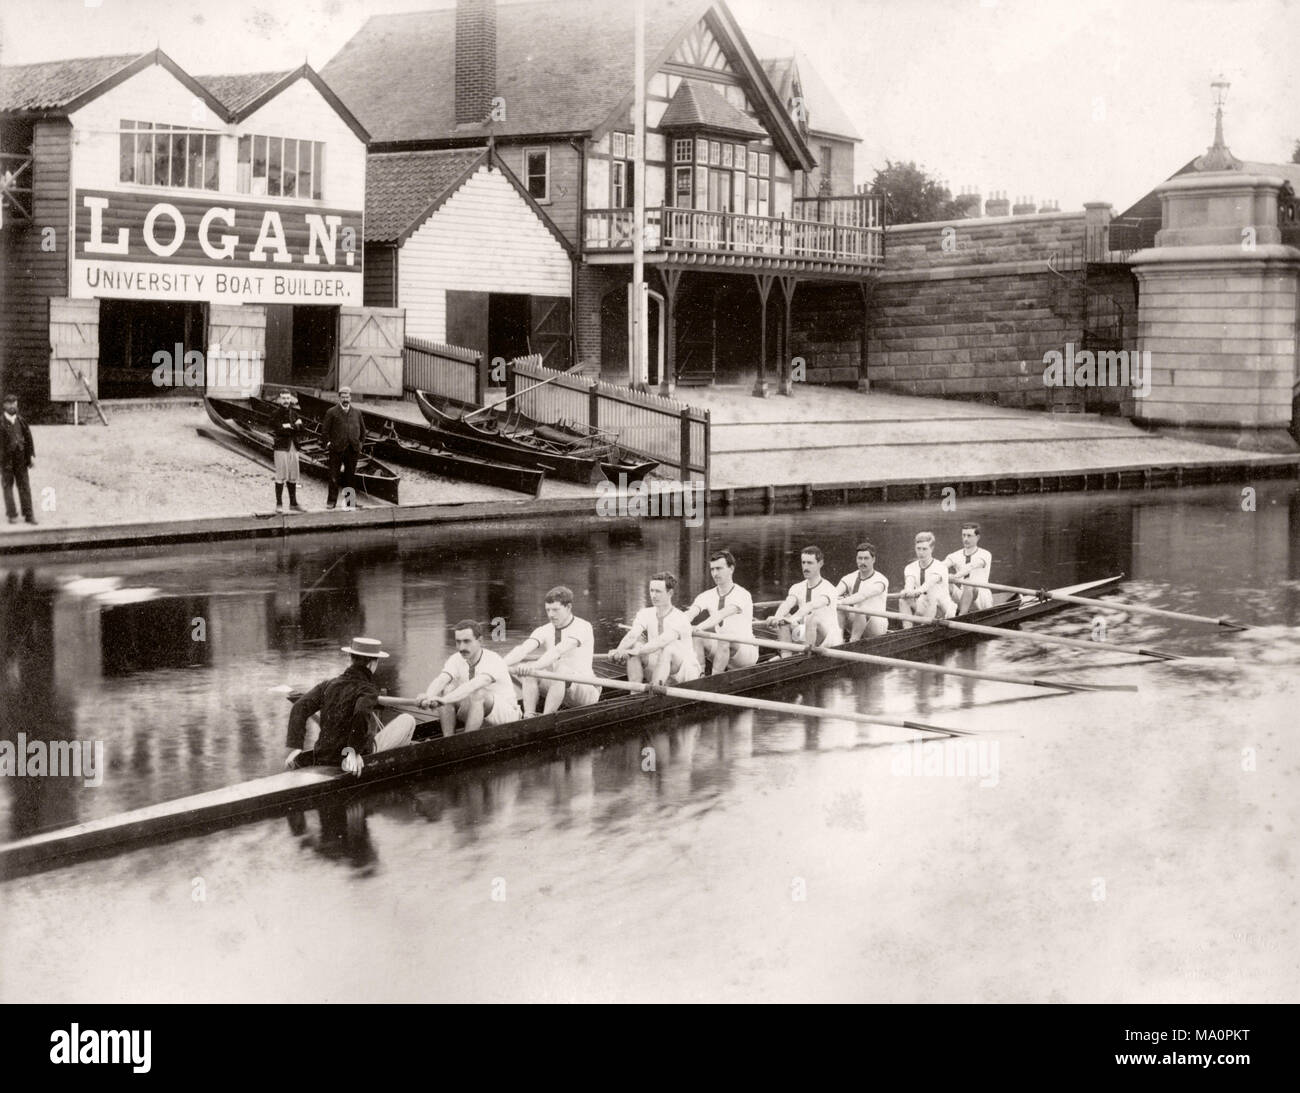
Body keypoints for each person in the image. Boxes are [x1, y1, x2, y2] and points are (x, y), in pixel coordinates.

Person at [285, 637, 415, 775]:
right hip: (350, 758)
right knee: (408, 720)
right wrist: (354, 752)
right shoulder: (368, 689)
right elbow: (360, 713)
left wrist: (296, 748)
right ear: (372, 664)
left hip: (323, 755)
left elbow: (299, 706)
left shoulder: (328, 685)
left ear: (351, 659)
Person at [505, 586, 601, 715]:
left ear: (568, 608)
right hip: (559, 687)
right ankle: (529, 716)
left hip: (586, 691)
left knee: (560, 669)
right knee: (530, 672)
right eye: (548, 610)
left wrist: (534, 666)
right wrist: (499, 665)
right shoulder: (543, 629)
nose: (551, 614)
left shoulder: (583, 626)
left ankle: (546, 719)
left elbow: (557, 651)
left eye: (556, 610)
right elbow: (522, 649)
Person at [418, 619, 520, 734]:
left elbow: (473, 685)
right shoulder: (456, 659)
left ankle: (465, 743)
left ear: (480, 641)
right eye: (458, 642)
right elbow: (441, 679)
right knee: (446, 689)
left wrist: (444, 700)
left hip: (507, 716)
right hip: (479, 711)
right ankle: (448, 740)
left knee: (478, 692)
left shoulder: (493, 660)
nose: (461, 647)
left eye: (467, 641)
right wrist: (428, 696)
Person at [611, 572, 702, 684]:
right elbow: (633, 634)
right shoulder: (645, 613)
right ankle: (635, 692)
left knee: (668, 649)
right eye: (651, 590)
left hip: (684, 671)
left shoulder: (680, 618)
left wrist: (634, 652)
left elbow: (661, 641)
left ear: (670, 593)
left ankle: (653, 692)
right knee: (635, 644)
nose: (653, 595)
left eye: (658, 591)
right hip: (659, 666)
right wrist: (619, 650)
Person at [687, 550, 759, 674]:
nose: (715, 574)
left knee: (723, 636)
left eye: (719, 569)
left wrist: (698, 627)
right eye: (712, 569)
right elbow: (690, 613)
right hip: (722, 648)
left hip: (746, 651)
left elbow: (720, 615)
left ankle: (715, 679)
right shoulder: (706, 595)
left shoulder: (742, 594)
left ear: (731, 569)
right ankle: (699, 675)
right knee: (697, 636)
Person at [767, 545, 842, 652]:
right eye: (803, 562)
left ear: (820, 564)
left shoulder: (829, 588)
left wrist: (793, 619)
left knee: (813, 617)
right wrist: (777, 617)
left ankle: (806, 658)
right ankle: (786, 658)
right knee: (784, 618)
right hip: (807, 634)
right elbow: (788, 603)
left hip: (829, 639)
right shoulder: (797, 587)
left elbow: (810, 605)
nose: (805, 567)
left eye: (810, 563)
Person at [836, 541, 890, 641]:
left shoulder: (881, 580)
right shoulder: (849, 577)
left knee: (861, 608)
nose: (862, 562)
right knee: (840, 608)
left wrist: (841, 601)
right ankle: (838, 640)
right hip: (858, 621)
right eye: (860, 558)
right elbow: (833, 593)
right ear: (856, 559)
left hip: (877, 626)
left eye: (866, 558)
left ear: (873, 559)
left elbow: (863, 595)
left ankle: (853, 642)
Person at [898, 531, 953, 627]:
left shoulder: (940, 566)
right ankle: (907, 631)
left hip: (943, 608)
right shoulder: (910, 567)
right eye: (918, 549)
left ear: (932, 548)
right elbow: (909, 583)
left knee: (931, 595)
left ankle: (925, 628)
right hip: (923, 605)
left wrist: (916, 592)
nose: (921, 553)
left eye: (924, 549)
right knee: (903, 600)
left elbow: (929, 583)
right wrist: (907, 591)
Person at [322, 386, 364, 509]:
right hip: (336, 449)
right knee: (334, 475)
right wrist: (329, 444)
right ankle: (331, 502)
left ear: (350, 397)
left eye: (347, 396)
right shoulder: (332, 412)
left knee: (350, 476)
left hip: (352, 449)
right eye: (343, 396)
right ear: (339, 397)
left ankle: (350, 501)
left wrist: (360, 444)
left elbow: (363, 431)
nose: (345, 399)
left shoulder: (357, 412)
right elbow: (325, 431)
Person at [1, 393, 36, 526]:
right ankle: (11, 514)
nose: (12, 406)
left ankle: (29, 514)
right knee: (7, 487)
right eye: (9, 403)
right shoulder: (1, 423)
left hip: (21, 460)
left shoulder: (21, 421)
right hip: (6, 461)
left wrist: (30, 456)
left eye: (14, 403)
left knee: (25, 486)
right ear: (4, 405)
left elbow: (28, 439)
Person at [944, 523, 994, 614]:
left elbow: (970, 566)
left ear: (977, 537)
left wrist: (955, 577)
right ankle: (946, 613)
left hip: (981, 597)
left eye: (969, 536)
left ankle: (961, 617)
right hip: (962, 596)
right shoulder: (954, 555)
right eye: (964, 535)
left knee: (968, 583)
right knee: (944, 583)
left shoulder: (985, 554)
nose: (965, 539)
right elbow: (940, 567)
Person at [271, 389, 305, 512]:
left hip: (293, 447)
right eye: (283, 398)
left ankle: (293, 503)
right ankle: (279, 504)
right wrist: (293, 426)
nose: (286, 401)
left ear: (290, 399)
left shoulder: (294, 413)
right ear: (279, 399)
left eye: (288, 398)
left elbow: (301, 429)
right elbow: (279, 429)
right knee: (280, 476)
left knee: (293, 476)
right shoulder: (275, 413)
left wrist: (290, 426)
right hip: (281, 447)